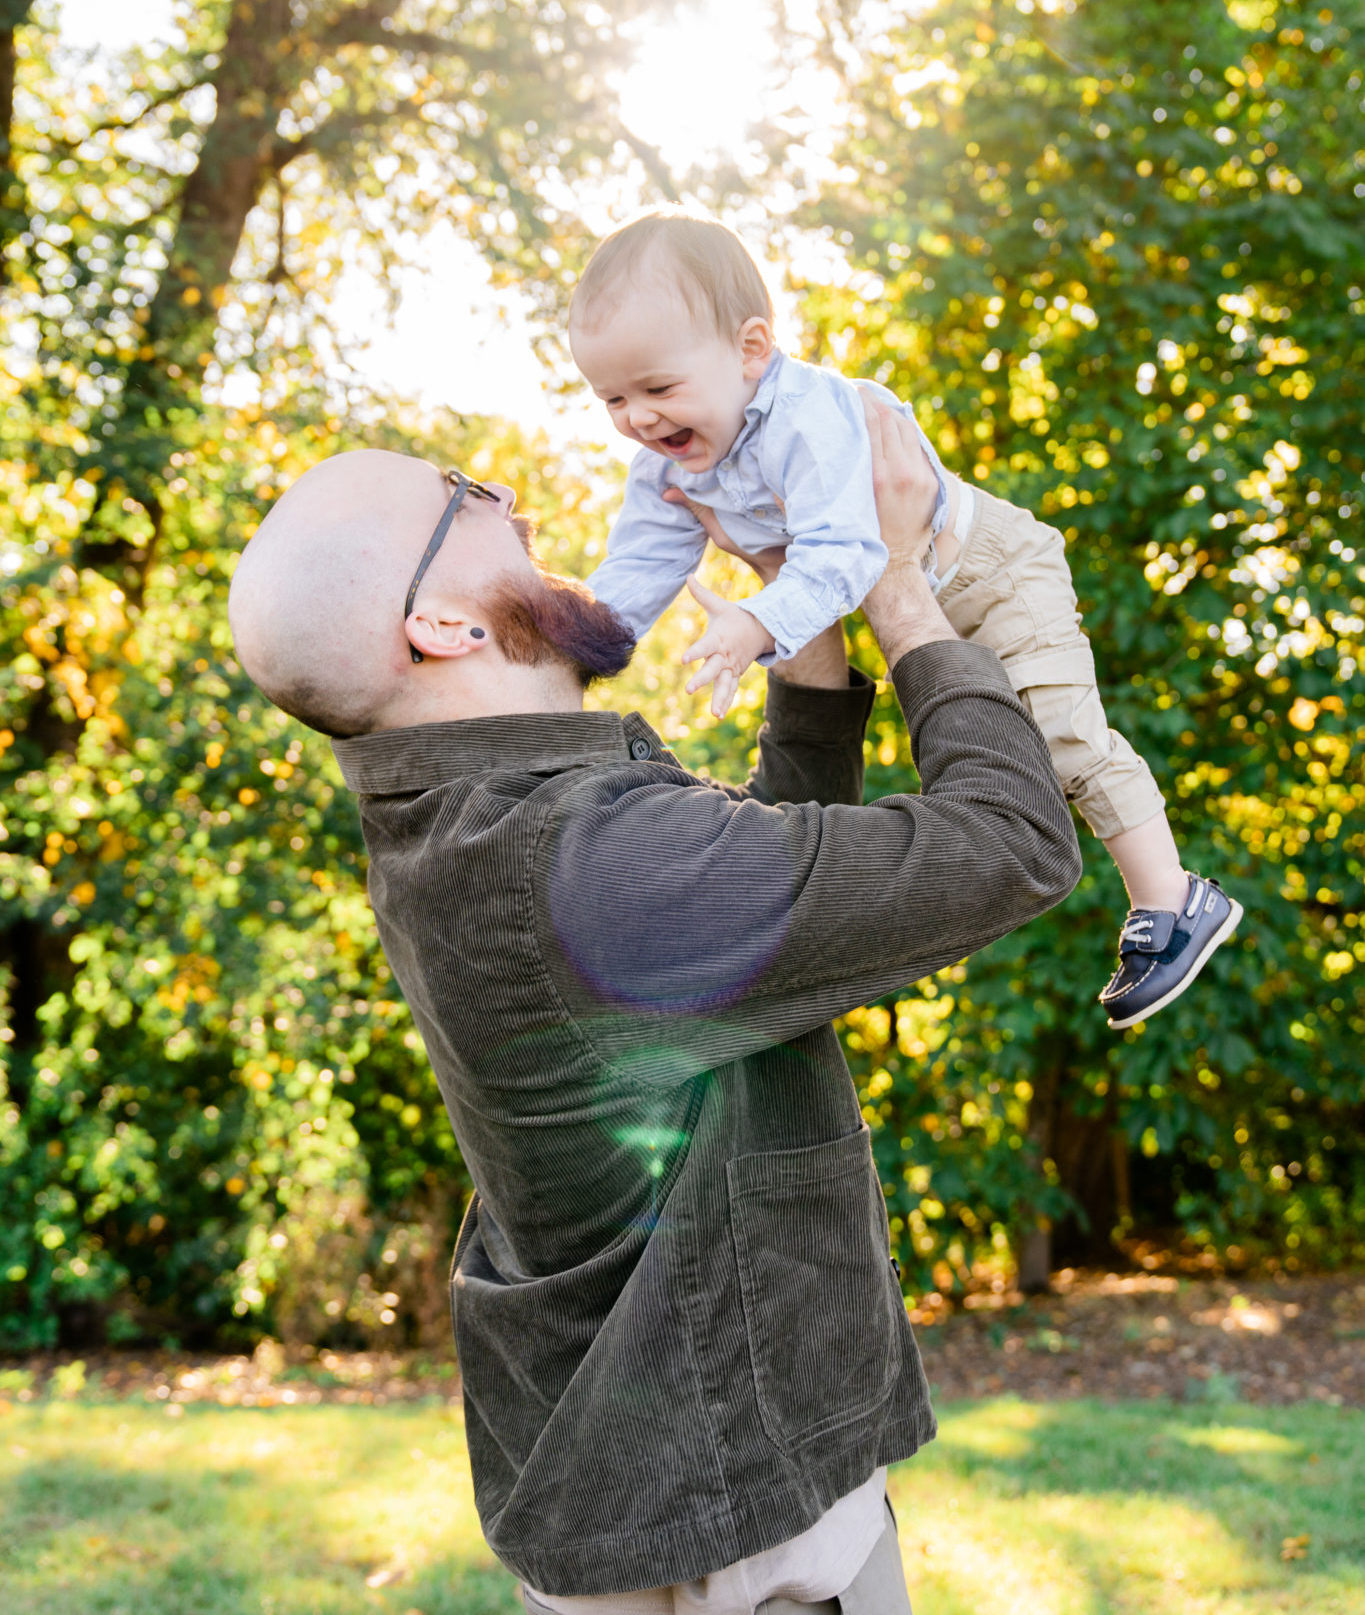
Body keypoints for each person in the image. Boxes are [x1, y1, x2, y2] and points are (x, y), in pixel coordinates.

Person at [227, 403, 1081, 1613]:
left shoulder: (477, 828)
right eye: (464, 493)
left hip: (657, 1493)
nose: (510, 501)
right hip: (744, 1528)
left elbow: (757, 936)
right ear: (442, 622)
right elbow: (1011, 844)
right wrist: (899, 589)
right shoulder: (580, 862)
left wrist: (804, 617)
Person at [570, 206, 1241, 1032]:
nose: (637, 417)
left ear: (750, 351)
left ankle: (1172, 899)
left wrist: (754, 621)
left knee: (1063, 736)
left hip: (993, 568)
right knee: (993, 747)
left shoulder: (808, 418)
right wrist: (577, 643)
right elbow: (637, 564)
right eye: (611, 398)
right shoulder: (671, 459)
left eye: (658, 388)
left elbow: (848, 553)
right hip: (921, 587)